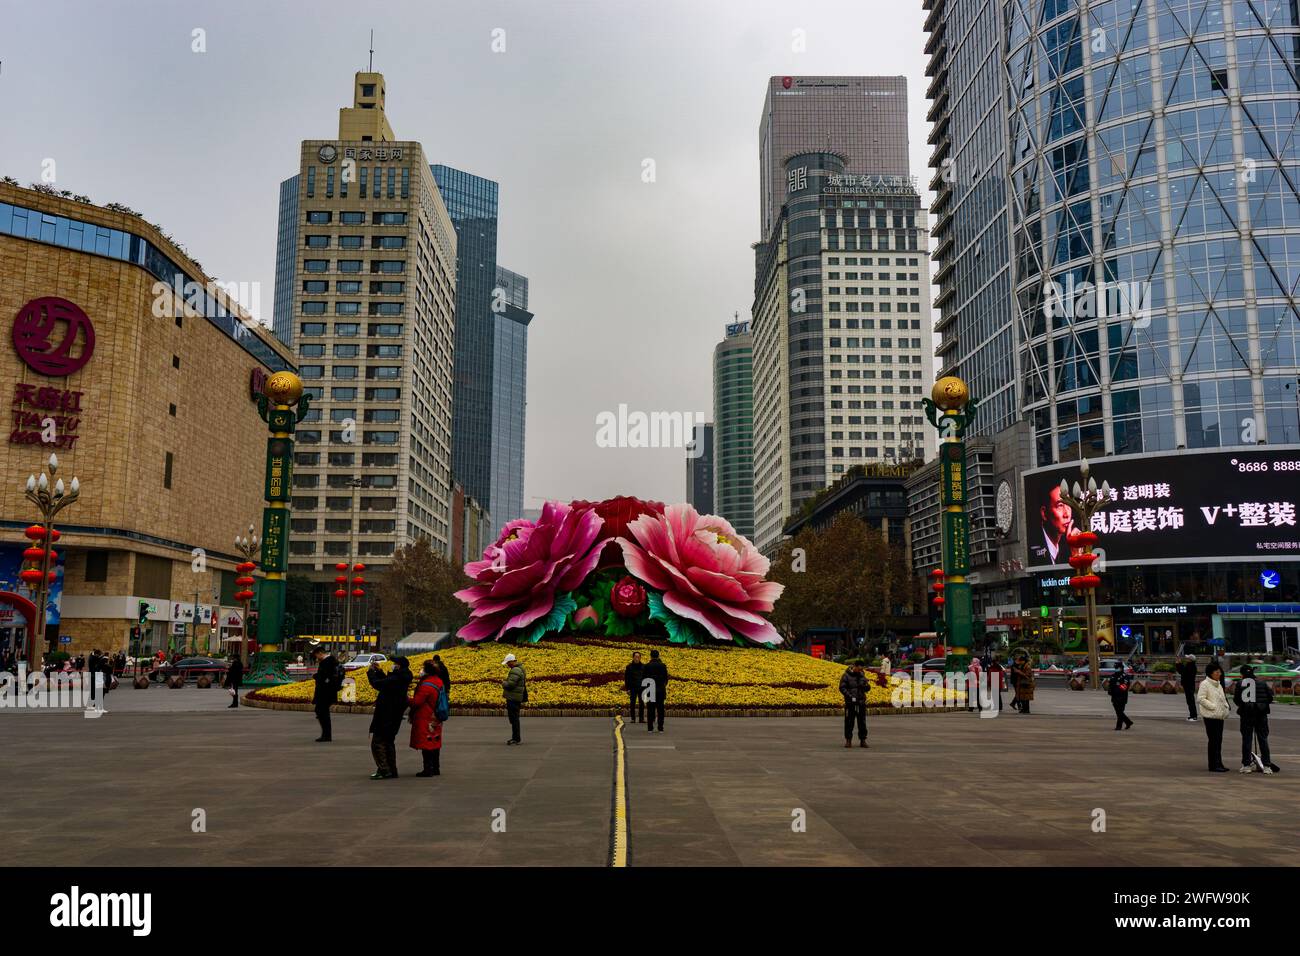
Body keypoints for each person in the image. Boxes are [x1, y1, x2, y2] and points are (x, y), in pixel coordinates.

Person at [368, 657, 412, 779]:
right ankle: (391, 770)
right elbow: (387, 681)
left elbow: (378, 684)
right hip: (393, 715)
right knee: (388, 742)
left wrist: (371, 673)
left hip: (386, 715)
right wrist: (379, 671)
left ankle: (384, 770)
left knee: (377, 742)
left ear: (399, 666)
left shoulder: (397, 678)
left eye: (395, 663)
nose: (393, 665)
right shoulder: (401, 676)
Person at [1233, 665, 1275, 774]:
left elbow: (1237, 700)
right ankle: (1266, 766)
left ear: (1242, 674)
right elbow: (1270, 697)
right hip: (1261, 715)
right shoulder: (1262, 683)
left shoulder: (1240, 684)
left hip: (1246, 715)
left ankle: (1246, 765)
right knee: (1263, 739)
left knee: (1247, 739)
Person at [407, 660, 444, 777]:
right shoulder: (438, 681)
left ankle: (427, 769)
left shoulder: (426, 685)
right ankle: (436, 768)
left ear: (427, 671)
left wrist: (406, 698)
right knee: (435, 741)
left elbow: (417, 702)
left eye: (423, 668)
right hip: (436, 716)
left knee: (426, 743)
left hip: (425, 717)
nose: (421, 670)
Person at [1196, 661, 1230, 772]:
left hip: (1219, 716)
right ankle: (1213, 765)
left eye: (1219, 671)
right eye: (1217, 671)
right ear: (1211, 673)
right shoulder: (1205, 684)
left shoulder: (1218, 684)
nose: (1219, 673)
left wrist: (1226, 708)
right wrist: (1213, 707)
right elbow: (1200, 698)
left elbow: (1223, 698)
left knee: (1218, 741)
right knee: (1213, 741)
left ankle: (1219, 763)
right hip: (1211, 717)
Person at [1032, 484, 1075, 564]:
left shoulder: (1067, 546)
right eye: (1060, 505)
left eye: (1069, 504)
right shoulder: (1033, 548)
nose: (1067, 514)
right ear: (1044, 513)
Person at [311, 647, 343, 742]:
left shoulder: (328, 662)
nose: (316, 658)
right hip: (327, 692)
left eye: (316, 655)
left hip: (326, 692)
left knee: (322, 712)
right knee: (321, 711)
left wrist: (316, 676)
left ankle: (326, 735)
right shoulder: (331, 661)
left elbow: (325, 676)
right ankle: (326, 734)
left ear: (320, 653)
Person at [839, 661, 870, 748]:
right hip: (850, 703)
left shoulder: (862, 675)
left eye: (862, 669)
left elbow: (867, 688)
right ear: (854, 666)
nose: (860, 670)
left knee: (862, 722)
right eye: (859, 668)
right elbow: (842, 687)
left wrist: (866, 686)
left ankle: (863, 740)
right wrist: (849, 696)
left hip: (860, 702)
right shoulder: (846, 675)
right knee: (849, 722)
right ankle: (848, 740)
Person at [502, 652, 527, 745]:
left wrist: (504, 683)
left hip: (513, 697)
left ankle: (516, 738)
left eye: (508, 663)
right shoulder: (520, 668)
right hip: (516, 697)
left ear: (512, 661)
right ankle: (516, 737)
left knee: (514, 718)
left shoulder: (515, 670)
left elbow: (510, 684)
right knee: (514, 718)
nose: (507, 665)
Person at [642, 649, 669, 732]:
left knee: (650, 710)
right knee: (660, 710)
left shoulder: (647, 666)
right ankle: (660, 728)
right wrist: (663, 685)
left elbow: (644, 678)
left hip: (650, 690)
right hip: (660, 690)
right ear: (658, 656)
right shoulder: (663, 666)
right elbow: (666, 678)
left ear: (651, 656)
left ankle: (650, 728)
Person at [624, 651, 645, 724]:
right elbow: (626, 678)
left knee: (641, 703)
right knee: (632, 703)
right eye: (636, 657)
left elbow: (645, 678)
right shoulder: (629, 667)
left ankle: (641, 718)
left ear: (640, 658)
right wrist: (627, 688)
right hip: (632, 688)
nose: (637, 658)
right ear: (633, 657)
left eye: (638, 657)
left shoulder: (643, 666)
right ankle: (633, 718)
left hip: (641, 688)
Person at [1175, 654, 1199, 721]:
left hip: (1189, 685)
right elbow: (1182, 671)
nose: (1186, 659)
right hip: (1188, 685)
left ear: (1190, 660)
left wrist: (1179, 663)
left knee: (1191, 701)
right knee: (1189, 701)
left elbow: (1183, 671)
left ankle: (1194, 716)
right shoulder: (1189, 665)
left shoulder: (1191, 666)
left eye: (1188, 658)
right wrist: (1178, 663)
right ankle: (1192, 715)